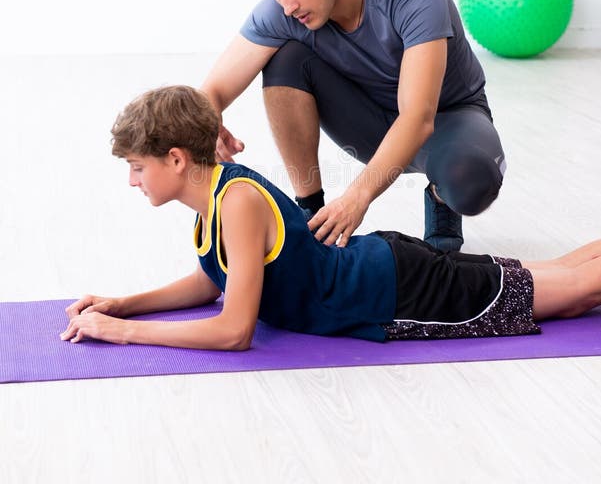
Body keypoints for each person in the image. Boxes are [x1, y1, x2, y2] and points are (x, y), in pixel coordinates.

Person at [63, 86, 601, 349]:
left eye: (137, 167)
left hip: (398, 293)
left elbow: (234, 330)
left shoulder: (237, 202)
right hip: (387, 269)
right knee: (554, 274)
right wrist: (125, 305)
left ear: (176, 159)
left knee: (575, 293)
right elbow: (213, 282)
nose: (133, 180)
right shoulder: (213, 203)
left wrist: (121, 334)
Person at [200, 0, 506, 253]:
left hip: (446, 119)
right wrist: (206, 126)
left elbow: (418, 119)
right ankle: (310, 213)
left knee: (472, 183)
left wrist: (355, 200)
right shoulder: (286, 13)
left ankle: (440, 195)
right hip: (369, 122)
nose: (286, 5)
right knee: (285, 60)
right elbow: (213, 90)